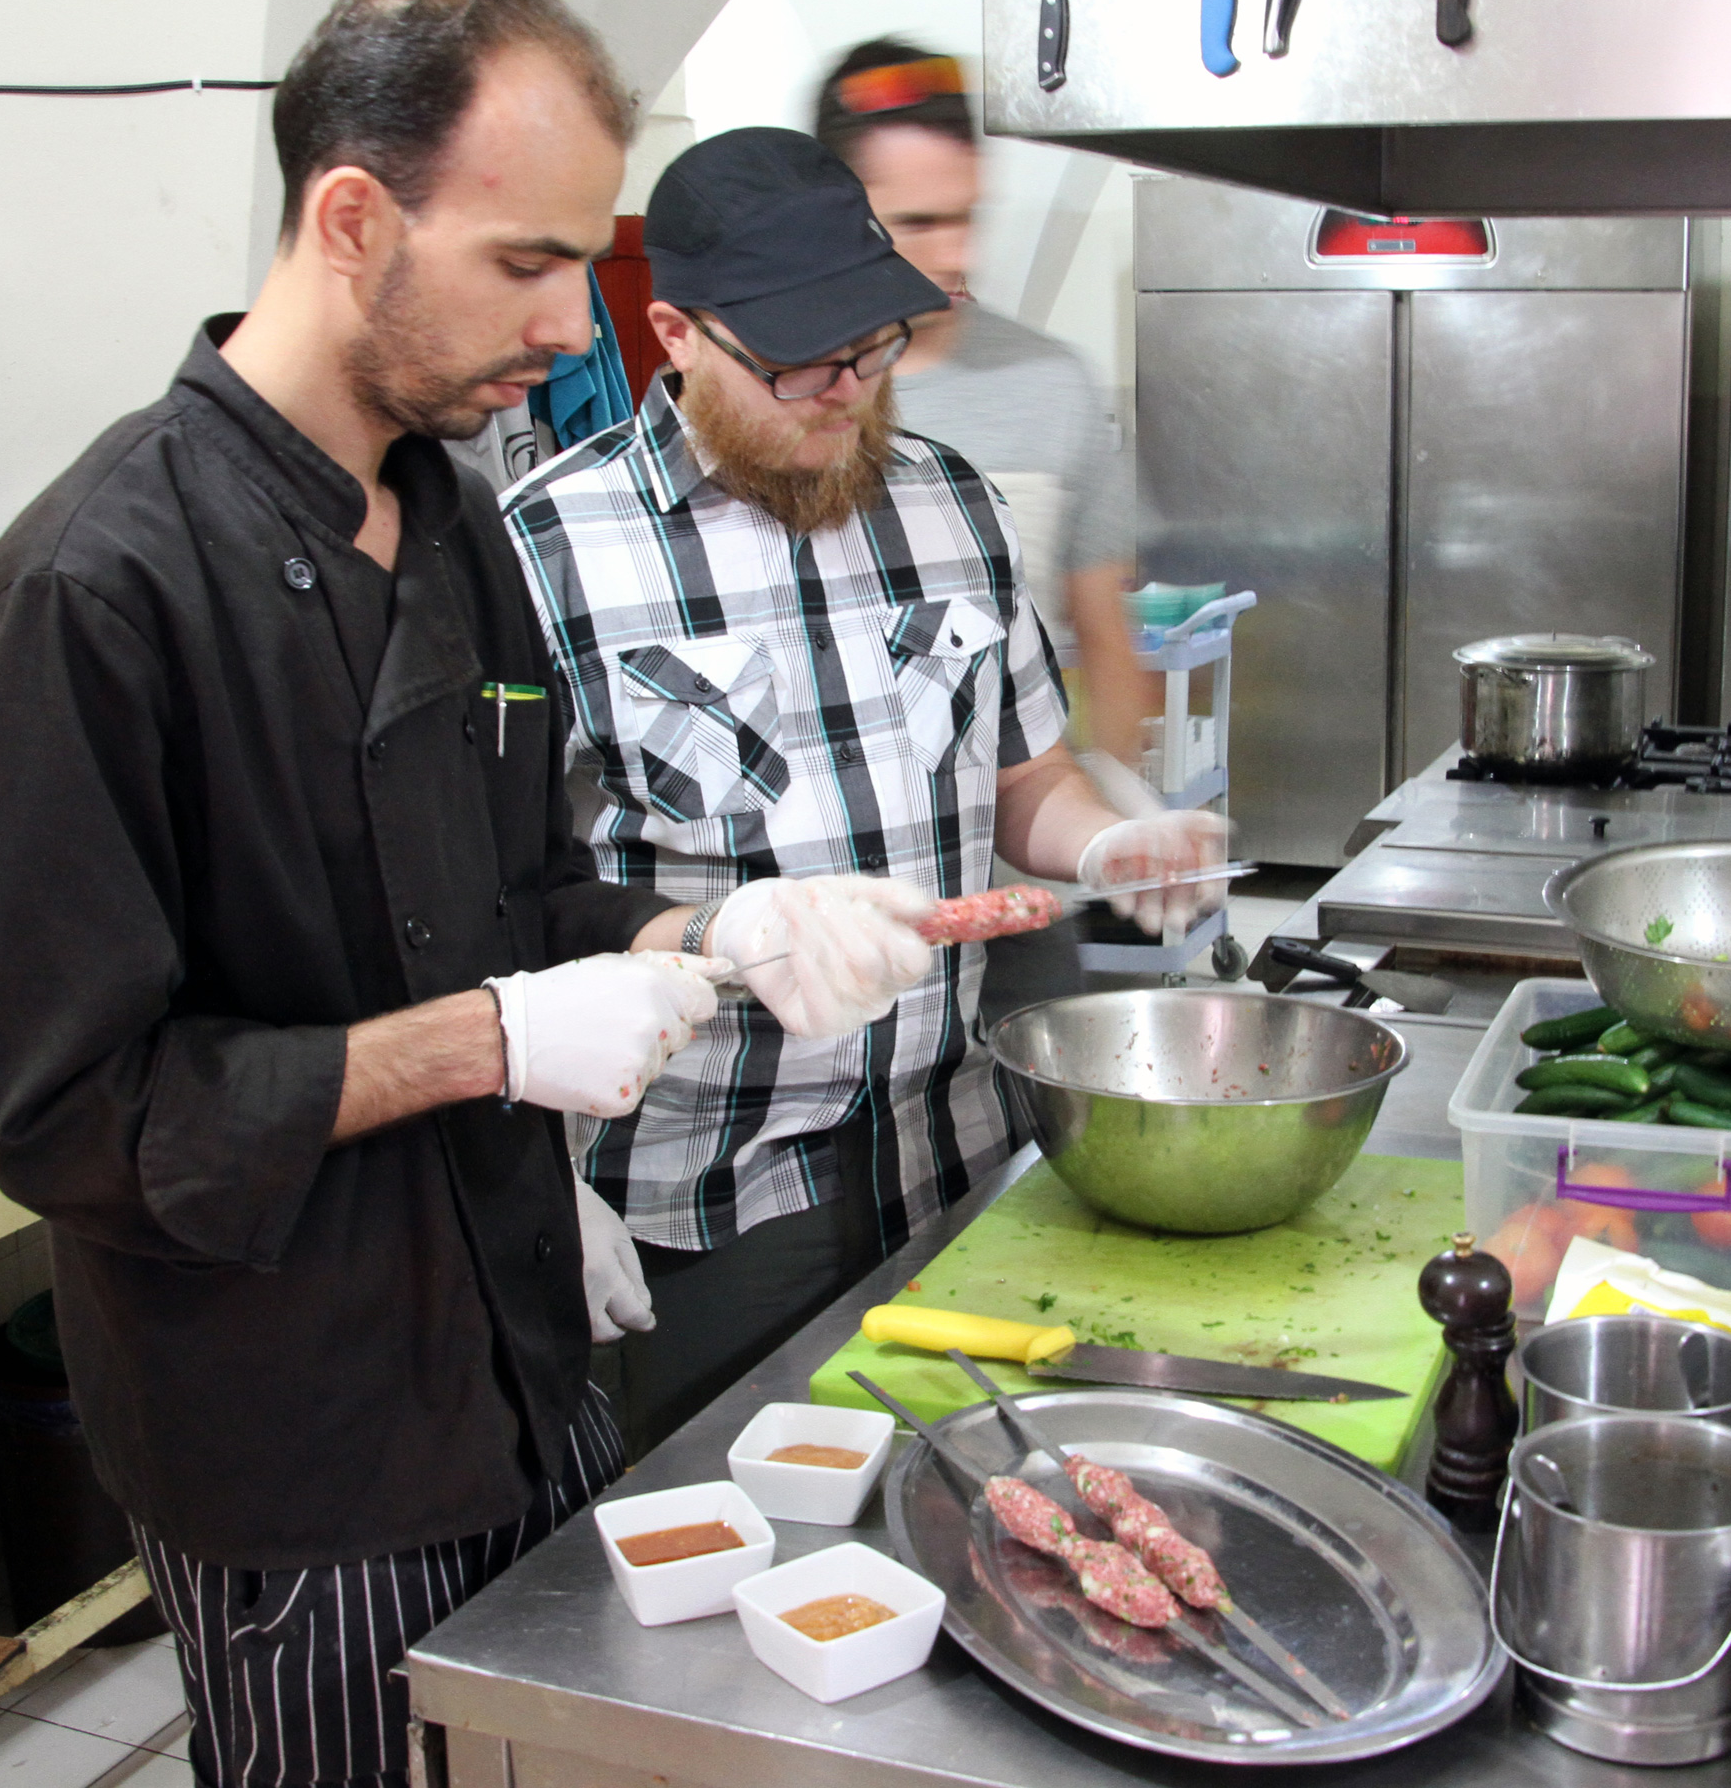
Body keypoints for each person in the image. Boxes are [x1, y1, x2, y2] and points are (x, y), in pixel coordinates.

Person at [0, 0, 924, 1788]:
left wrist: (714, 926)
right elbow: (69, 1119)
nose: (572, 324)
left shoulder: (456, 520)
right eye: (528, 262)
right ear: (352, 220)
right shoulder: (100, 588)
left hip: (525, 1349)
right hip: (299, 1436)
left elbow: (521, 896)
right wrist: (487, 1043)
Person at [500, 126, 1229, 1454]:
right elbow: (503, 902)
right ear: (676, 334)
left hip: (954, 1149)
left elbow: (1027, 778)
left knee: (972, 1503)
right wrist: (534, 1180)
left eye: (875, 347)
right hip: (708, 1201)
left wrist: (1108, 842)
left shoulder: (951, 506)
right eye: (801, 361)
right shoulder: (548, 550)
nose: (847, 390)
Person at [815, 39, 1162, 1022]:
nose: (955, 255)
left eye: (968, 216)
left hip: (1011, 895)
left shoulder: (1050, 385)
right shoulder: (788, 406)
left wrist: (1113, 823)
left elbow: (1105, 637)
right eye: (917, 223)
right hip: (830, 919)